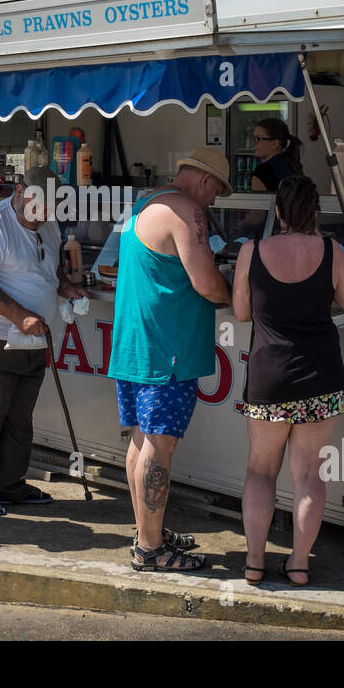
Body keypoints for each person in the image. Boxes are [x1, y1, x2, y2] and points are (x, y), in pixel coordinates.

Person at [108, 147, 232, 571]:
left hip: (135, 345)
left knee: (141, 441)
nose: (214, 201)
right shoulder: (186, 211)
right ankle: (151, 550)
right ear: (205, 180)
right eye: (217, 190)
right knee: (160, 447)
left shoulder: (143, 205)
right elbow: (207, 284)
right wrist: (240, 291)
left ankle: (148, 530)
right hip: (168, 349)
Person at [231, 175, 344, 586]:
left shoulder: (253, 251)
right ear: (315, 212)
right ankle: (299, 565)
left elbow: (242, 312)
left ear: (279, 212)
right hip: (321, 375)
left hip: (270, 377)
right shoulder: (331, 250)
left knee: (260, 472)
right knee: (308, 473)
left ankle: (253, 563)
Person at [0, 165, 87, 515]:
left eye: (47, 209)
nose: (40, 216)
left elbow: (49, 265)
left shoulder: (48, 224)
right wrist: (20, 316)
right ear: (18, 192)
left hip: (33, 336)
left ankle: (11, 485)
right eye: (35, 207)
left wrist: (65, 286)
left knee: (20, 414)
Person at [250, 118, 302, 192]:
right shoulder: (293, 165)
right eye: (253, 138)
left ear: (275, 143)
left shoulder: (263, 171)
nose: (253, 144)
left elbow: (259, 202)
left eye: (257, 139)